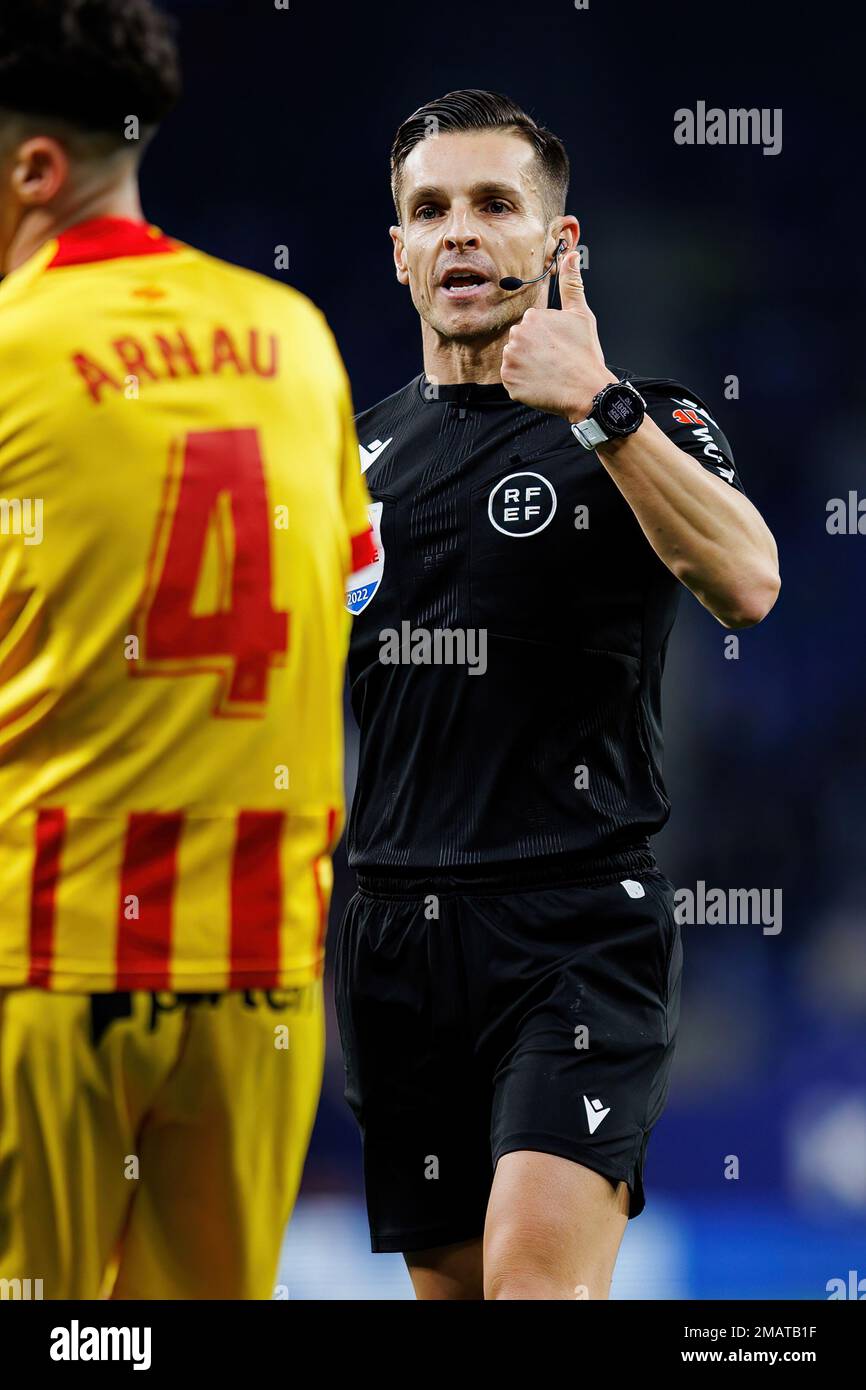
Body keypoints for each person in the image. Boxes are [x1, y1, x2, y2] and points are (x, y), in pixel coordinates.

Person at [335, 89, 780, 1300]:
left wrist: (597, 407)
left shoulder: (646, 415)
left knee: (533, 1289)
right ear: (398, 250)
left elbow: (744, 580)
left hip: (572, 923)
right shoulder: (346, 455)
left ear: (557, 242)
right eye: (430, 209)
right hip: (391, 936)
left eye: (494, 205)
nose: (461, 233)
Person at [0, 0, 373, 1299]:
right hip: (261, 983)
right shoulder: (296, 338)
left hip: (45, 964)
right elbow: (353, 593)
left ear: (34, 169)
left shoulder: (12, 350)